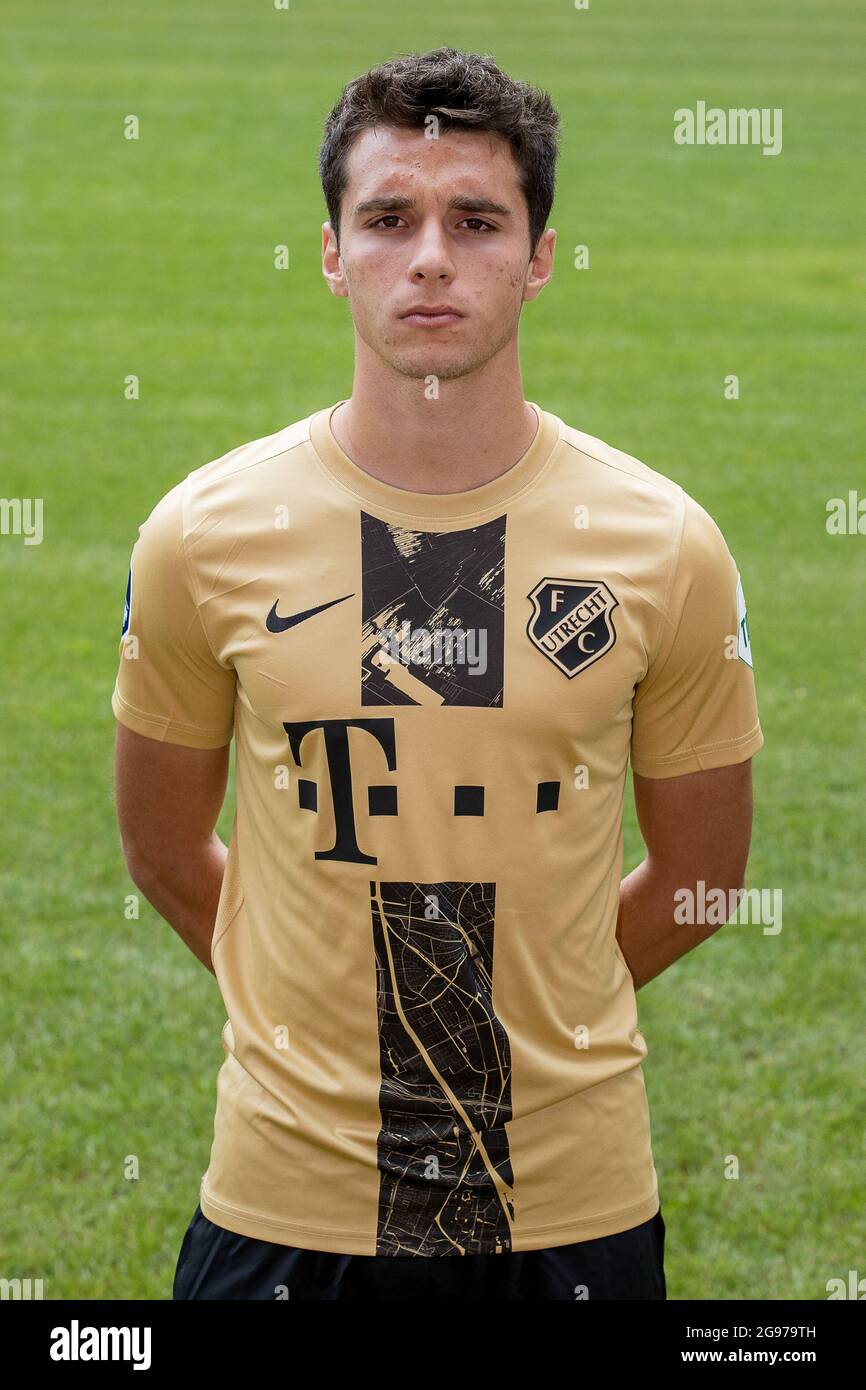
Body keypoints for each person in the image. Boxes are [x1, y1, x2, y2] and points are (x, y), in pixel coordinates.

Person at [112, 46, 763, 1301]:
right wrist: (313, 1015)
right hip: (281, 1201)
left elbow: (700, 879)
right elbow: (160, 846)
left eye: (475, 222)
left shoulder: (662, 544)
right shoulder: (199, 534)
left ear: (538, 258)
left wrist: (513, 1008)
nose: (428, 257)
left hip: (570, 1205)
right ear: (329, 251)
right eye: (387, 218)